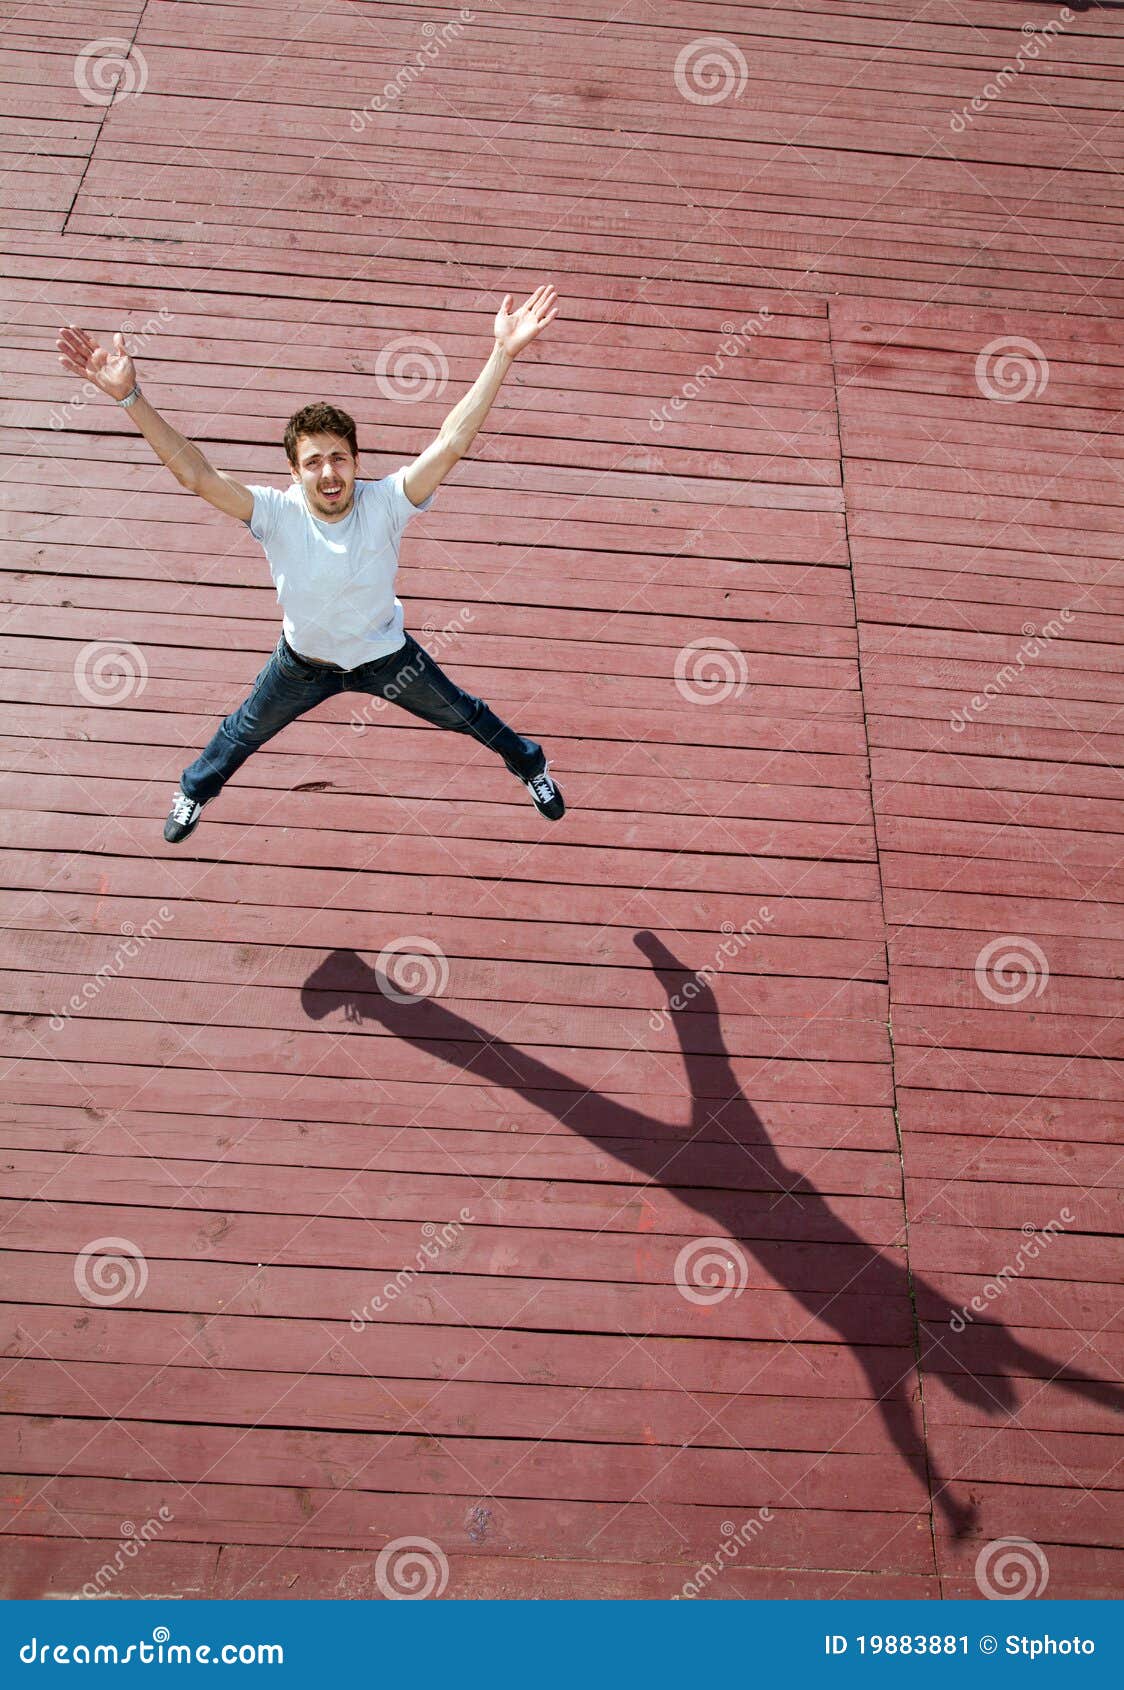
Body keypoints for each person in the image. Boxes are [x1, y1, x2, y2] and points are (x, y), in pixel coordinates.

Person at [55, 285, 565, 843]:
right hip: (302, 665)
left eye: (339, 458)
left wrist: (502, 353)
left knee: (465, 713)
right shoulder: (275, 512)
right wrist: (130, 397)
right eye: (314, 462)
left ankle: (531, 765)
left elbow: (450, 443)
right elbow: (195, 475)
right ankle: (194, 792)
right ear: (294, 472)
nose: (328, 473)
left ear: (356, 462)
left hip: (386, 659)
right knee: (242, 733)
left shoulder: (387, 502)